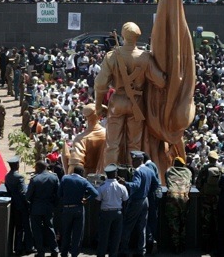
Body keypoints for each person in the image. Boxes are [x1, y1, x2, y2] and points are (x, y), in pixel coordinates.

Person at [93, 22, 166, 167]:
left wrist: (98, 105)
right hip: (136, 103)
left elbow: (100, 84)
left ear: (123, 35)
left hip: (117, 101)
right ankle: (133, 173)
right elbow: (161, 82)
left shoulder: (112, 56)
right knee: (134, 143)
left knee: (112, 144)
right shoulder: (145, 57)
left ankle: (110, 175)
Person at [120, 150, 157, 257]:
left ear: (140, 160)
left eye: (135, 160)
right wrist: (147, 191)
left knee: (128, 225)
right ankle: (141, 251)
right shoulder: (149, 170)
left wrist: (124, 183)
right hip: (145, 200)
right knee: (142, 227)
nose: (132, 162)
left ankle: (124, 250)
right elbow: (155, 184)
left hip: (136, 201)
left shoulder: (138, 171)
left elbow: (136, 185)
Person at [59, 165, 100, 257]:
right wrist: (86, 199)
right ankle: (74, 253)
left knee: (66, 232)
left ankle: (64, 253)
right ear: (82, 173)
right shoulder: (84, 181)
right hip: (78, 209)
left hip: (66, 209)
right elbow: (95, 193)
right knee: (77, 234)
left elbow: (59, 194)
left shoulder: (65, 178)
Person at [26, 159, 60, 257]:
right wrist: (53, 205)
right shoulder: (54, 178)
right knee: (50, 228)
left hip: (36, 208)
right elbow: (58, 194)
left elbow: (28, 196)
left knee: (37, 230)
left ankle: (40, 252)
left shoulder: (35, 179)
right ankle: (55, 250)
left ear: (38, 168)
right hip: (49, 207)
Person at [96, 164, 129, 257]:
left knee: (103, 237)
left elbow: (98, 200)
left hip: (105, 212)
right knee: (116, 238)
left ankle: (101, 254)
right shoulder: (121, 187)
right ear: (115, 174)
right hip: (118, 213)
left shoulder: (102, 187)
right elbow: (125, 200)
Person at [162, 157, 192, 254]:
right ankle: (182, 245)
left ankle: (175, 246)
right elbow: (190, 183)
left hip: (172, 197)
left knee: (173, 222)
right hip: (184, 198)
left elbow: (167, 183)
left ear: (174, 163)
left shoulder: (169, 170)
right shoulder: (188, 171)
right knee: (183, 221)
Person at [67, 102, 106, 176]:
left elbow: (75, 164)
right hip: (107, 177)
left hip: (88, 179)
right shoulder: (108, 134)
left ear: (85, 117)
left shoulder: (81, 138)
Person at [4, 157, 32, 255]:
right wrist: (28, 203)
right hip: (22, 205)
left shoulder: (7, 176)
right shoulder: (19, 177)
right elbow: (23, 193)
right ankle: (28, 247)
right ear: (17, 165)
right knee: (26, 227)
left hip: (14, 205)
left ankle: (18, 247)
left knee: (18, 227)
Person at [195, 151, 222, 247]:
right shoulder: (220, 169)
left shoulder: (204, 169)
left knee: (206, 223)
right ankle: (217, 245)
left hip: (206, 199)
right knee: (217, 222)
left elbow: (198, 184)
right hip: (217, 199)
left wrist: (203, 190)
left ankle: (206, 245)